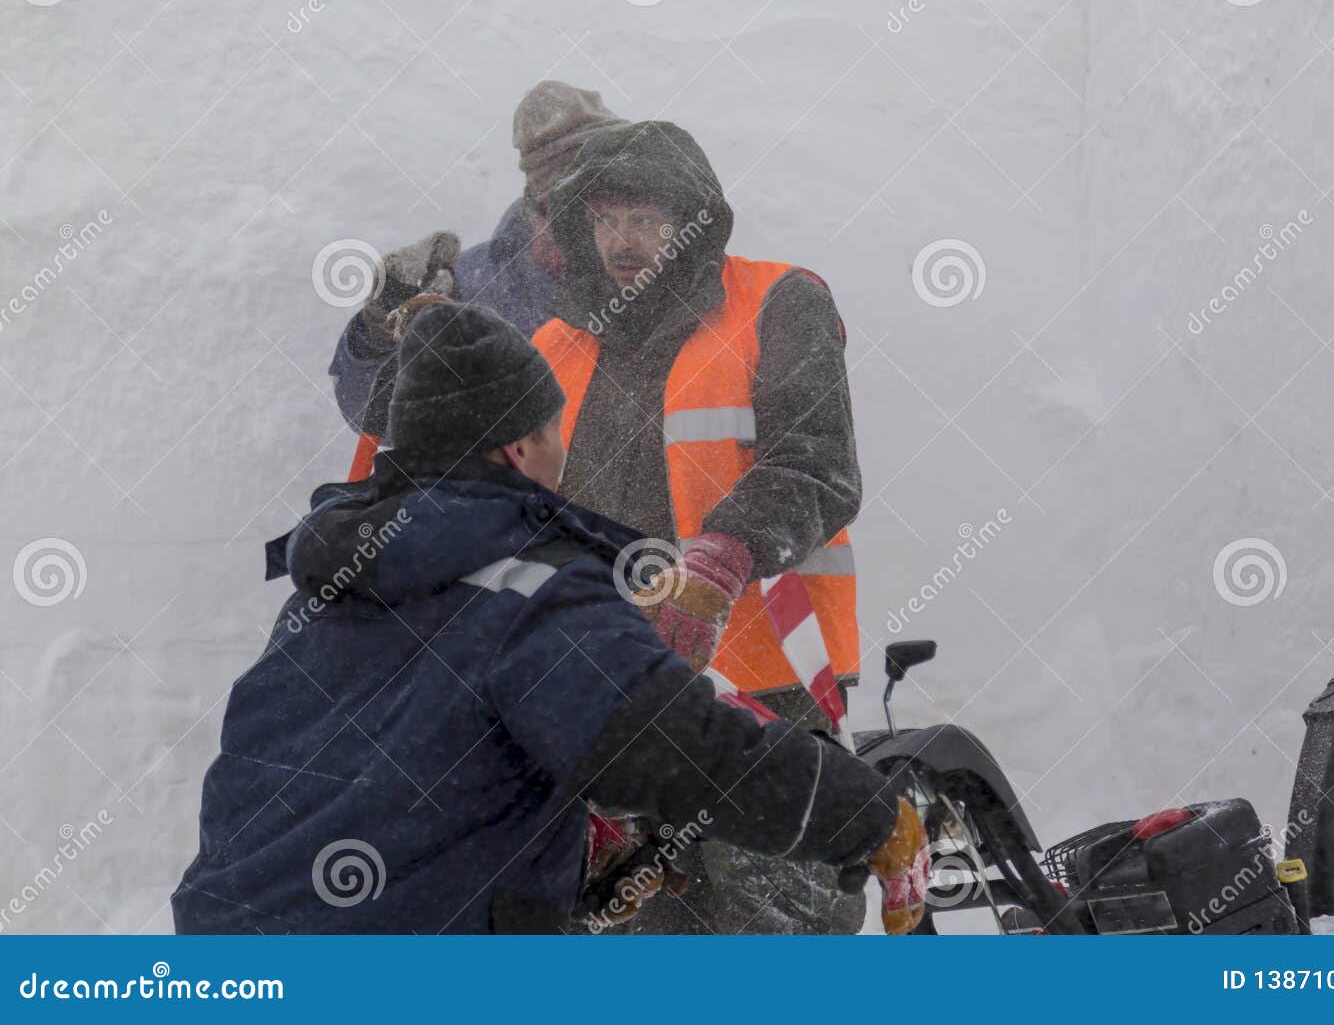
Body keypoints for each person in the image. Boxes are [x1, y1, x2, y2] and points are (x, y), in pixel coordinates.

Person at [171, 301, 928, 934]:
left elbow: (390, 765)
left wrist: (543, 825)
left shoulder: (335, 581)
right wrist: (863, 814)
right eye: (553, 427)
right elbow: (679, 749)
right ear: (521, 444)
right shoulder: (533, 581)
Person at [533, 119, 866, 932]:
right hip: (617, 699)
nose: (624, 239)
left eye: (646, 218)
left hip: (766, 687)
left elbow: (818, 464)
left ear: (692, 221)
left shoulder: (781, 301)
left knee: (777, 935)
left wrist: (720, 555)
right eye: (607, 218)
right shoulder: (553, 345)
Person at [328, 82, 627, 439]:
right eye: (562, 211)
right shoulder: (468, 292)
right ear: (533, 213)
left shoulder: (657, 279)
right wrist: (379, 335)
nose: (581, 232)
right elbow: (378, 419)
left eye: (599, 213)